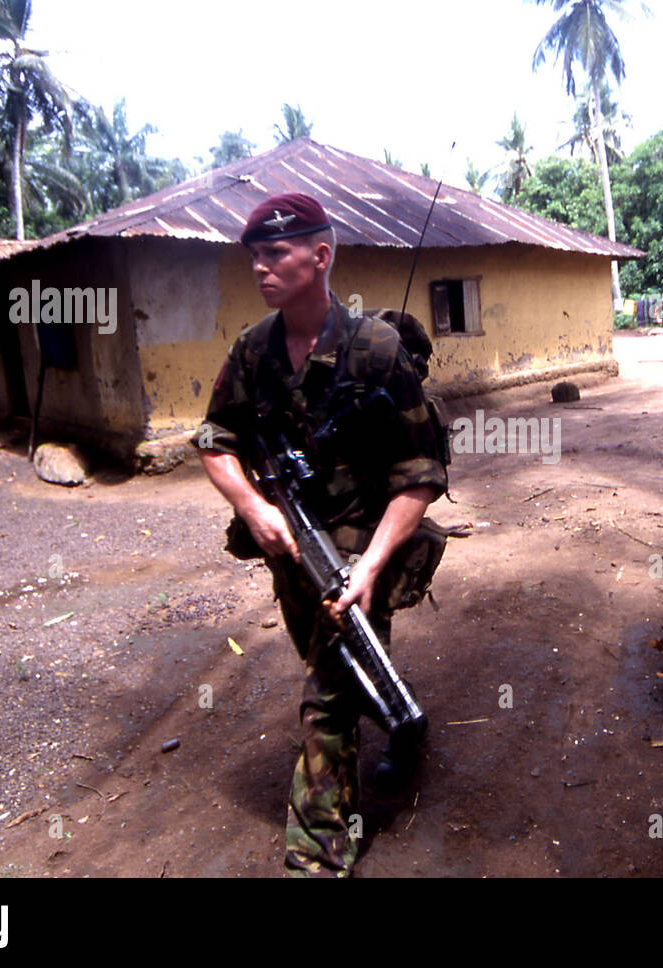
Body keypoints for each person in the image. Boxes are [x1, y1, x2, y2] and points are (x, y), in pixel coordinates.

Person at [193, 192, 448, 877]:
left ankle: (318, 853)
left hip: (367, 550)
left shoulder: (378, 351)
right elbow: (215, 438)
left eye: (275, 253)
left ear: (321, 256)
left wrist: (369, 566)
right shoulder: (252, 352)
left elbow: (421, 473)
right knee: (329, 664)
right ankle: (404, 722)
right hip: (290, 549)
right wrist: (251, 505)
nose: (261, 269)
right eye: (254, 256)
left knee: (326, 694)